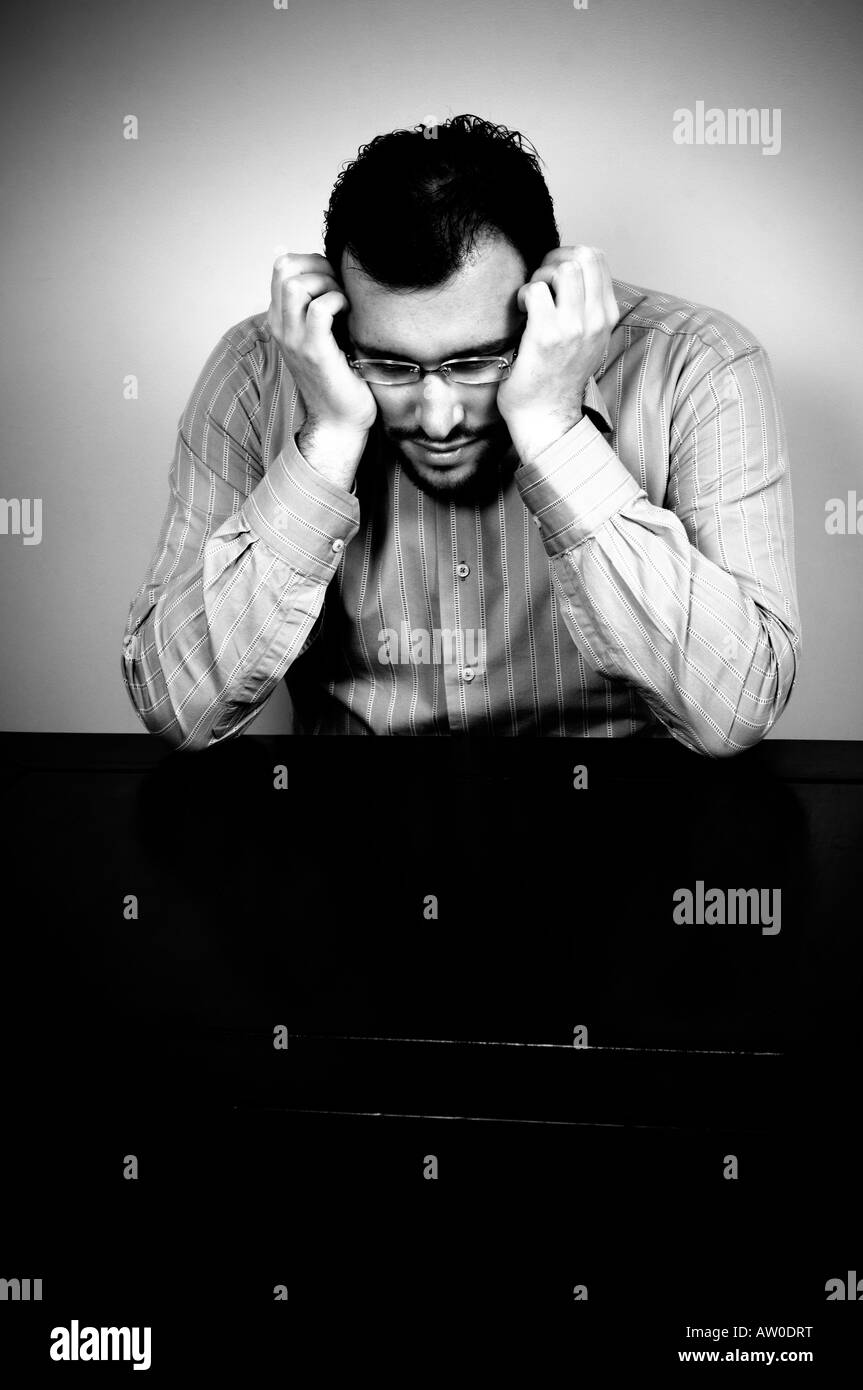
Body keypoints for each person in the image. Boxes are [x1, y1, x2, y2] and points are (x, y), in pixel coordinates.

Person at [122, 114, 801, 752]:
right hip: (348, 838)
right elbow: (180, 708)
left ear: (545, 306)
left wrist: (552, 427)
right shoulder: (254, 371)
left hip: (623, 831)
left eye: (476, 361)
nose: (438, 416)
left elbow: (733, 711)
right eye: (389, 363)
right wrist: (327, 435)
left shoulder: (698, 365)